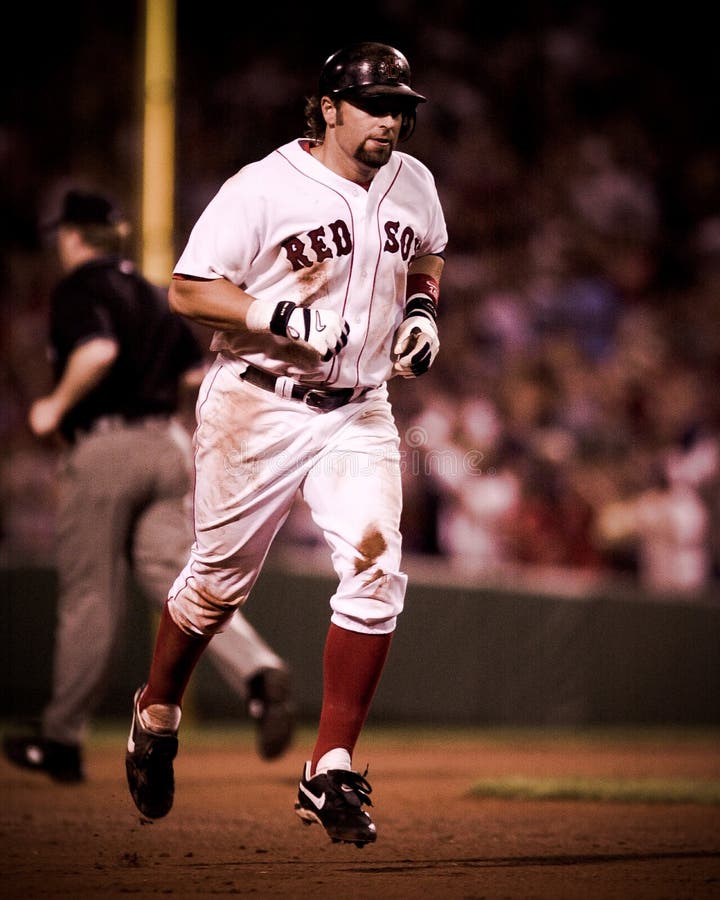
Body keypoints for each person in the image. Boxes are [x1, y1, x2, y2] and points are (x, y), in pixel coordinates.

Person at [124, 41, 447, 847]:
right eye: (375, 105)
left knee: (377, 565)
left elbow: (428, 254)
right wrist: (272, 314)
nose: (390, 121)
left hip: (359, 407)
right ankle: (156, 711)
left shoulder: (414, 181)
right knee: (215, 588)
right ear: (329, 107)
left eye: (400, 108)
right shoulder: (263, 188)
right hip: (257, 404)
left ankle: (330, 766)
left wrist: (422, 312)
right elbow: (188, 287)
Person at [2, 188, 295, 783]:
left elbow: (98, 349)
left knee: (90, 594)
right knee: (182, 580)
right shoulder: (147, 288)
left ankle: (62, 738)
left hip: (108, 446)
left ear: (71, 236)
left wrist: (54, 406)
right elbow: (194, 368)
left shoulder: (79, 287)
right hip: (166, 444)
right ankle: (258, 671)